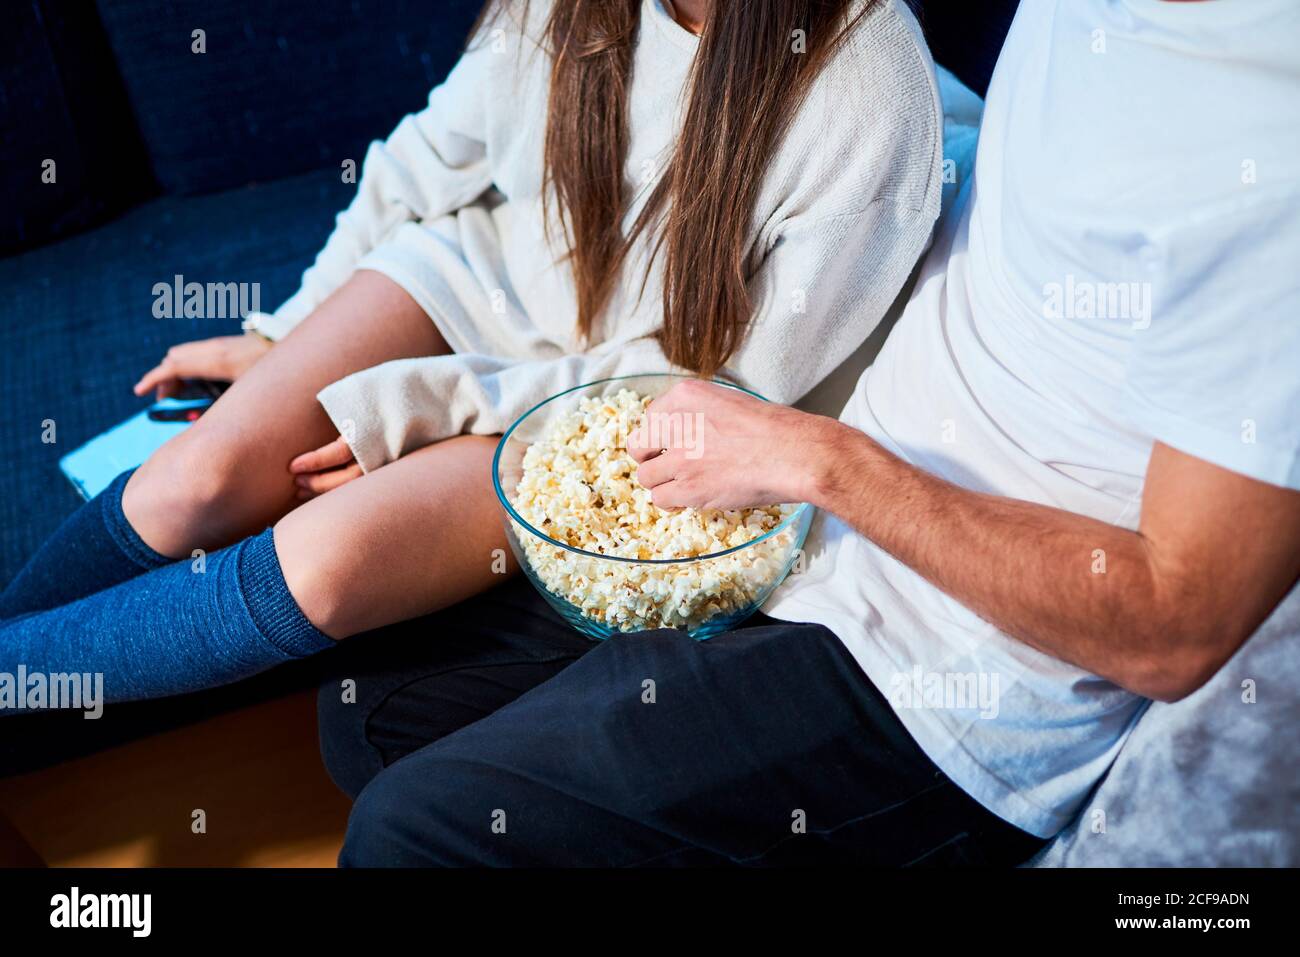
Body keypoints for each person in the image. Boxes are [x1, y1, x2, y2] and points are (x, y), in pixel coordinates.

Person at [317, 0, 1300, 865]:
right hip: (803, 540)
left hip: (942, 688)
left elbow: (1175, 628)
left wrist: (821, 459)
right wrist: (294, 330)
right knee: (372, 706)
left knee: (419, 832)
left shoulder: (1268, 152)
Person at [0, 0, 942, 703]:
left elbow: (715, 393)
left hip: (624, 422)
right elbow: (423, 156)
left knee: (326, 565)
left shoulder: (870, 89)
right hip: (477, 277)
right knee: (193, 481)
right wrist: (287, 327)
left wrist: (438, 402)